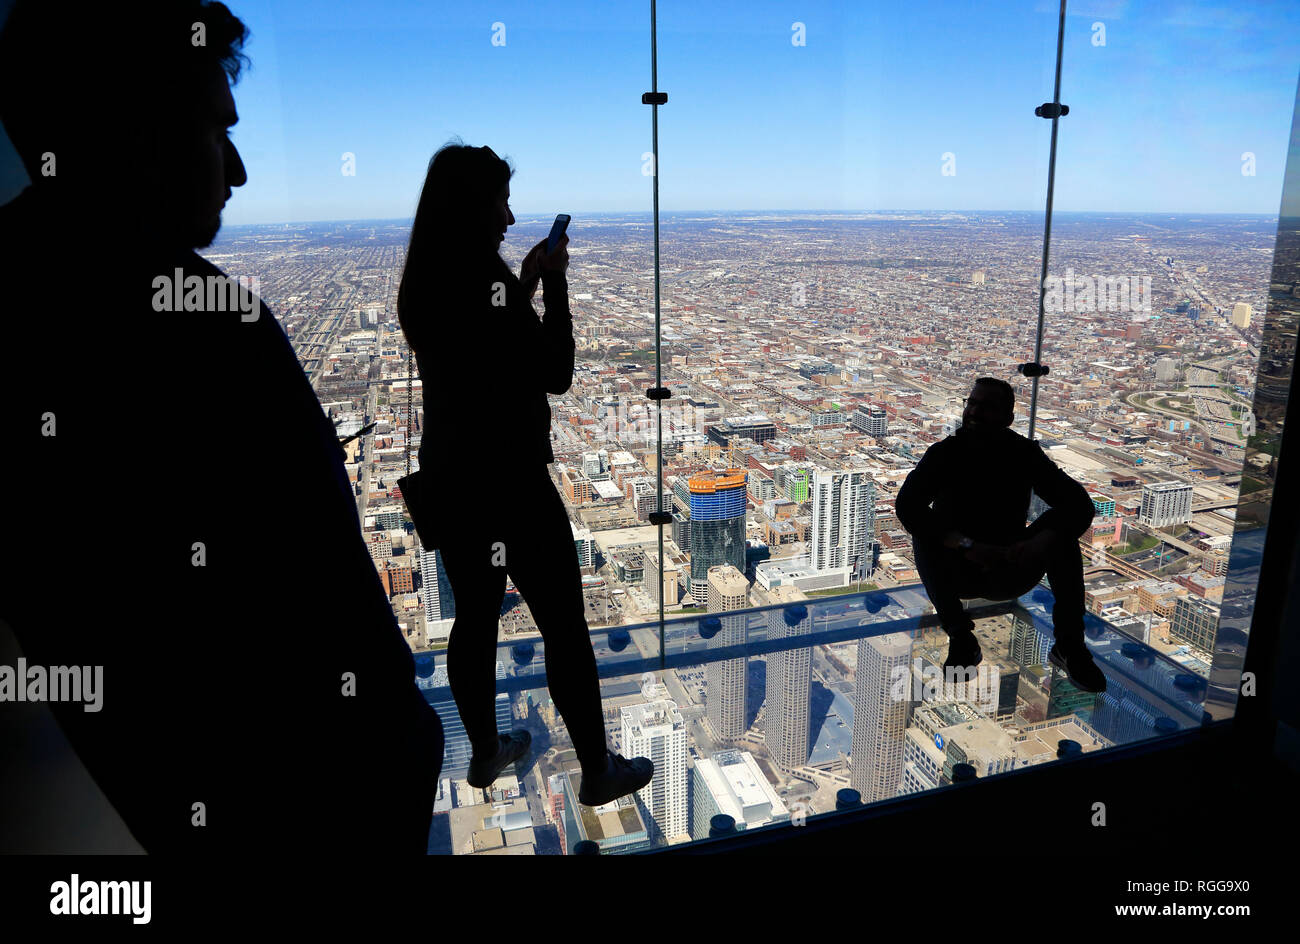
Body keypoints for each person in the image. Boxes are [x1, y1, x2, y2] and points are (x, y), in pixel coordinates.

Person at [0, 0, 443, 852]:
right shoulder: (205, 328)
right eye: (214, 131)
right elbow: (329, 610)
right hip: (312, 813)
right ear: (132, 129)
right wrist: (401, 747)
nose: (237, 169)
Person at [397, 141, 655, 805]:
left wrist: (526, 282)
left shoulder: (423, 280)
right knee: (564, 626)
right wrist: (557, 280)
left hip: (452, 480)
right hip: (511, 483)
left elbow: (481, 338)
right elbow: (555, 370)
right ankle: (598, 769)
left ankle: (486, 750)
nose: (510, 217)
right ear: (474, 205)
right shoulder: (484, 276)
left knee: (474, 622)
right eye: (501, 201)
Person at [896, 377, 1106, 692]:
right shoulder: (946, 453)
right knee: (926, 528)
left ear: (1008, 418)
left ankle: (1070, 646)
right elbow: (907, 508)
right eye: (973, 403)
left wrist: (1036, 543)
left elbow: (1079, 505)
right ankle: (961, 637)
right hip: (963, 568)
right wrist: (967, 545)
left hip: (1012, 563)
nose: (976, 412)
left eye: (988, 407)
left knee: (1058, 536)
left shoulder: (1023, 454)